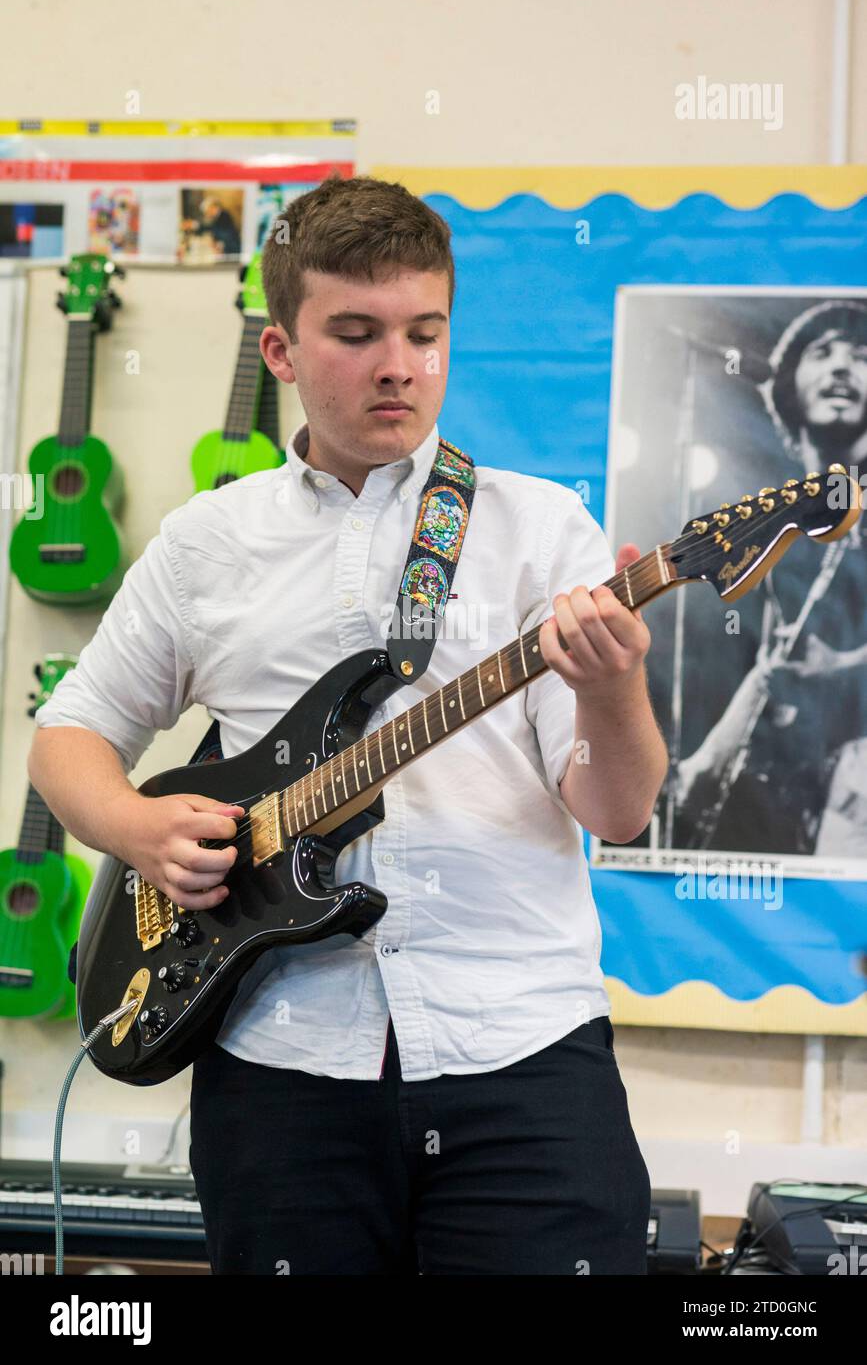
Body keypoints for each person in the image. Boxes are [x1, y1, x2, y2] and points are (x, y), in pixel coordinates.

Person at [29, 173, 667, 1275]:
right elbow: (69, 735)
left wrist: (613, 686)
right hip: (281, 1063)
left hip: (518, 1051)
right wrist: (137, 830)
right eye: (357, 332)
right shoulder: (205, 542)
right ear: (279, 351)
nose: (399, 366)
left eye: (426, 333)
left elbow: (618, 807)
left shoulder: (540, 528)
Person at [675, 299, 867, 854]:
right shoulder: (781, 521)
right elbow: (775, 664)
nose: (840, 367)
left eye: (860, 355)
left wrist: (843, 673)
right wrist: (705, 766)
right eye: (822, 352)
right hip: (786, 806)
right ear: (788, 386)